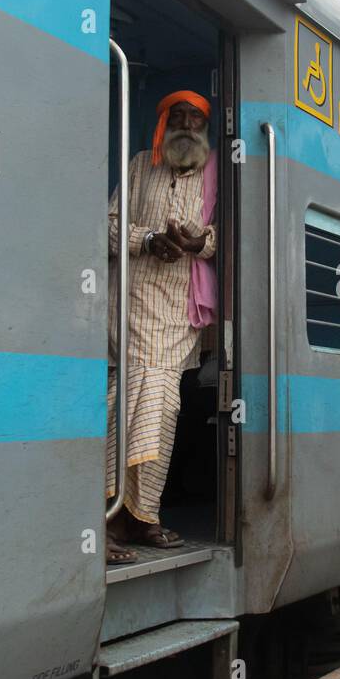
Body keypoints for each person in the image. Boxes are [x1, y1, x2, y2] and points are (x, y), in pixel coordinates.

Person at [105, 90, 218, 565]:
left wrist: (198, 242)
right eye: (179, 117)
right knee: (123, 405)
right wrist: (148, 240)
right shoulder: (139, 166)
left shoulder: (218, 175)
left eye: (195, 119)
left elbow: (226, 239)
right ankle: (105, 519)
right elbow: (108, 226)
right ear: (164, 123)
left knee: (162, 407)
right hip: (131, 305)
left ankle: (142, 516)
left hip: (178, 314)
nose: (187, 126)